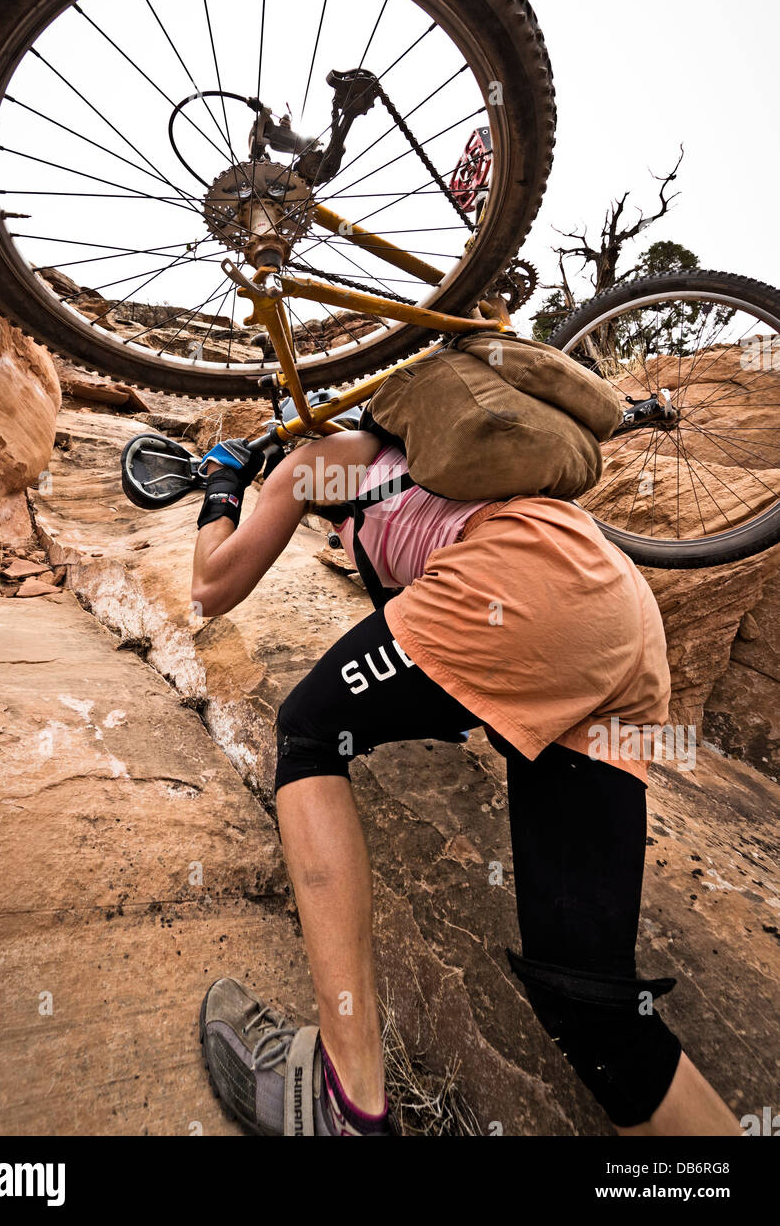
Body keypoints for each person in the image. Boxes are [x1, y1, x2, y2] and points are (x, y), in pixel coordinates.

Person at [191, 428, 739, 1138]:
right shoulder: (457, 458)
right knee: (587, 1003)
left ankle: (344, 1103)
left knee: (307, 732)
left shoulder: (323, 458)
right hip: (619, 613)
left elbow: (211, 589)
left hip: (517, 588)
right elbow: (422, 646)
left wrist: (223, 487)